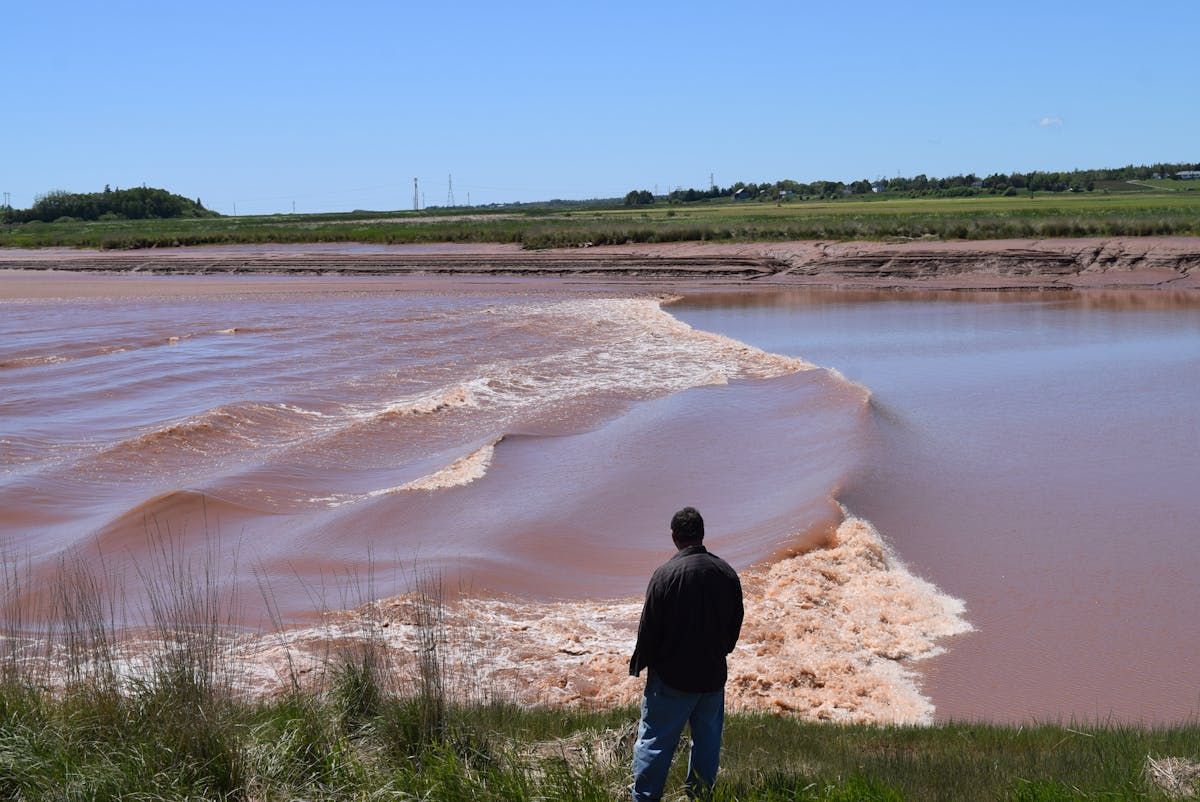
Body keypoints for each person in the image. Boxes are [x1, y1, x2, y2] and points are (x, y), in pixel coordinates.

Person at [629, 507, 744, 801]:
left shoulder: (665, 575)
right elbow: (734, 625)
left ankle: (644, 798)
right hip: (712, 677)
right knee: (707, 745)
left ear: (674, 537)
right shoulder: (726, 573)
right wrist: (720, 651)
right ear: (702, 534)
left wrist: (644, 665)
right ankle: (700, 797)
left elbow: (649, 629)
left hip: (672, 680)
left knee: (655, 744)